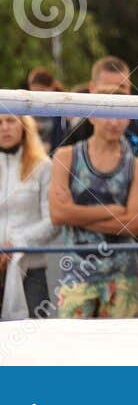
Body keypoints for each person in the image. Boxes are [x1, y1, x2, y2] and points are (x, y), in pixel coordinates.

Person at [49, 111, 138, 319]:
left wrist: (75, 214)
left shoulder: (136, 166)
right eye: (106, 115)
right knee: (73, 347)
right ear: (91, 117)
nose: (114, 122)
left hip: (122, 275)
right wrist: (113, 211)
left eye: (120, 115)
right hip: (76, 273)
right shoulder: (66, 156)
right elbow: (57, 214)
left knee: (121, 347)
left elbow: (133, 225)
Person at [0, 115, 54, 320]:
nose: (5, 127)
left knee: (34, 343)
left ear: (24, 125)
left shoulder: (42, 166)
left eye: (10, 121)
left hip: (30, 270)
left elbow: (52, 222)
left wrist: (16, 244)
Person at [57, 56, 138, 159]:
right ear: (92, 89)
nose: (115, 95)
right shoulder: (78, 128)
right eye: (107, 88)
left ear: (129, 89)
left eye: (121, 87)